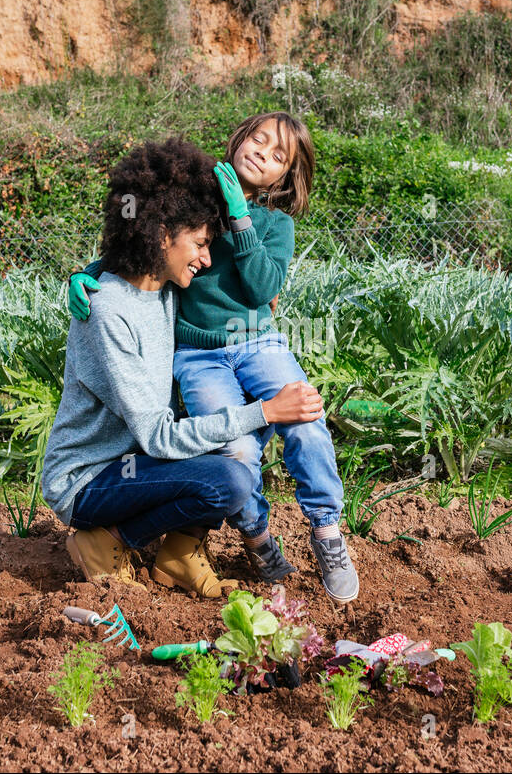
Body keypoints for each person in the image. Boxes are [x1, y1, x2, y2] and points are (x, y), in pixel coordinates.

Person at [67, 112, 359, 603]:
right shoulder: (198, 195)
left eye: (279, 155)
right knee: (238, 452)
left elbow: (262, 287)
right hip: (198, 354)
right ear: (240, 136)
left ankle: (327, 531)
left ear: (286, 178)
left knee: (307, 418)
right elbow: (149, 235)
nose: (263, 153)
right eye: (258, 139)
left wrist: (240, 218)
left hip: (258, 342)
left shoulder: (273, 223)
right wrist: (91, 270)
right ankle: (257, 537)